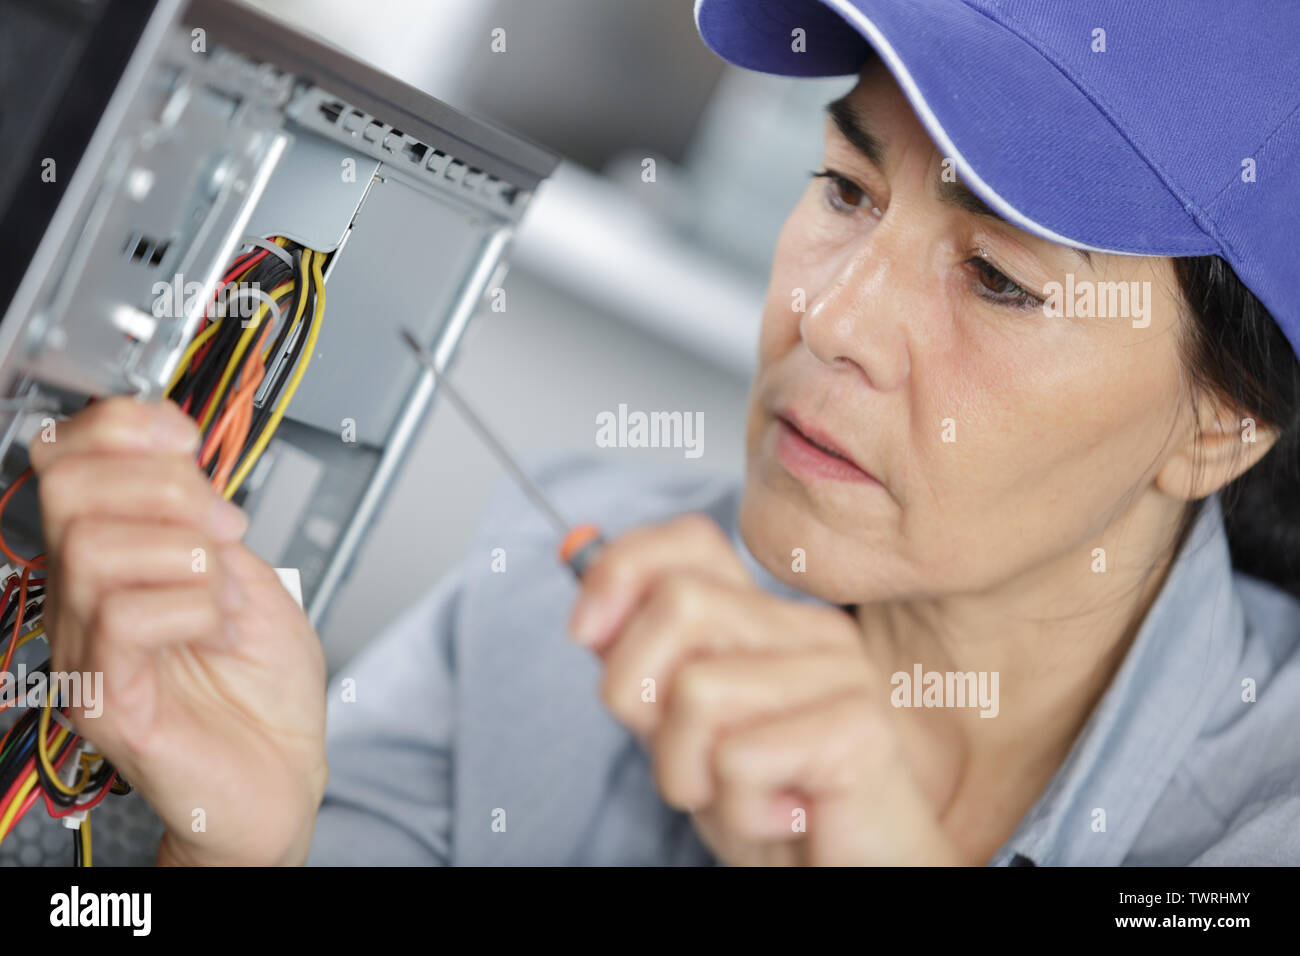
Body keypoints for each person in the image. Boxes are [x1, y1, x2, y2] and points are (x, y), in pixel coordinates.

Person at [27, 0, 1300, 865]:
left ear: (1222, 422)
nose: (831, 316)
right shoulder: (555, 603)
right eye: (846, 190)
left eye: (1000, 279)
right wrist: (239, 842)